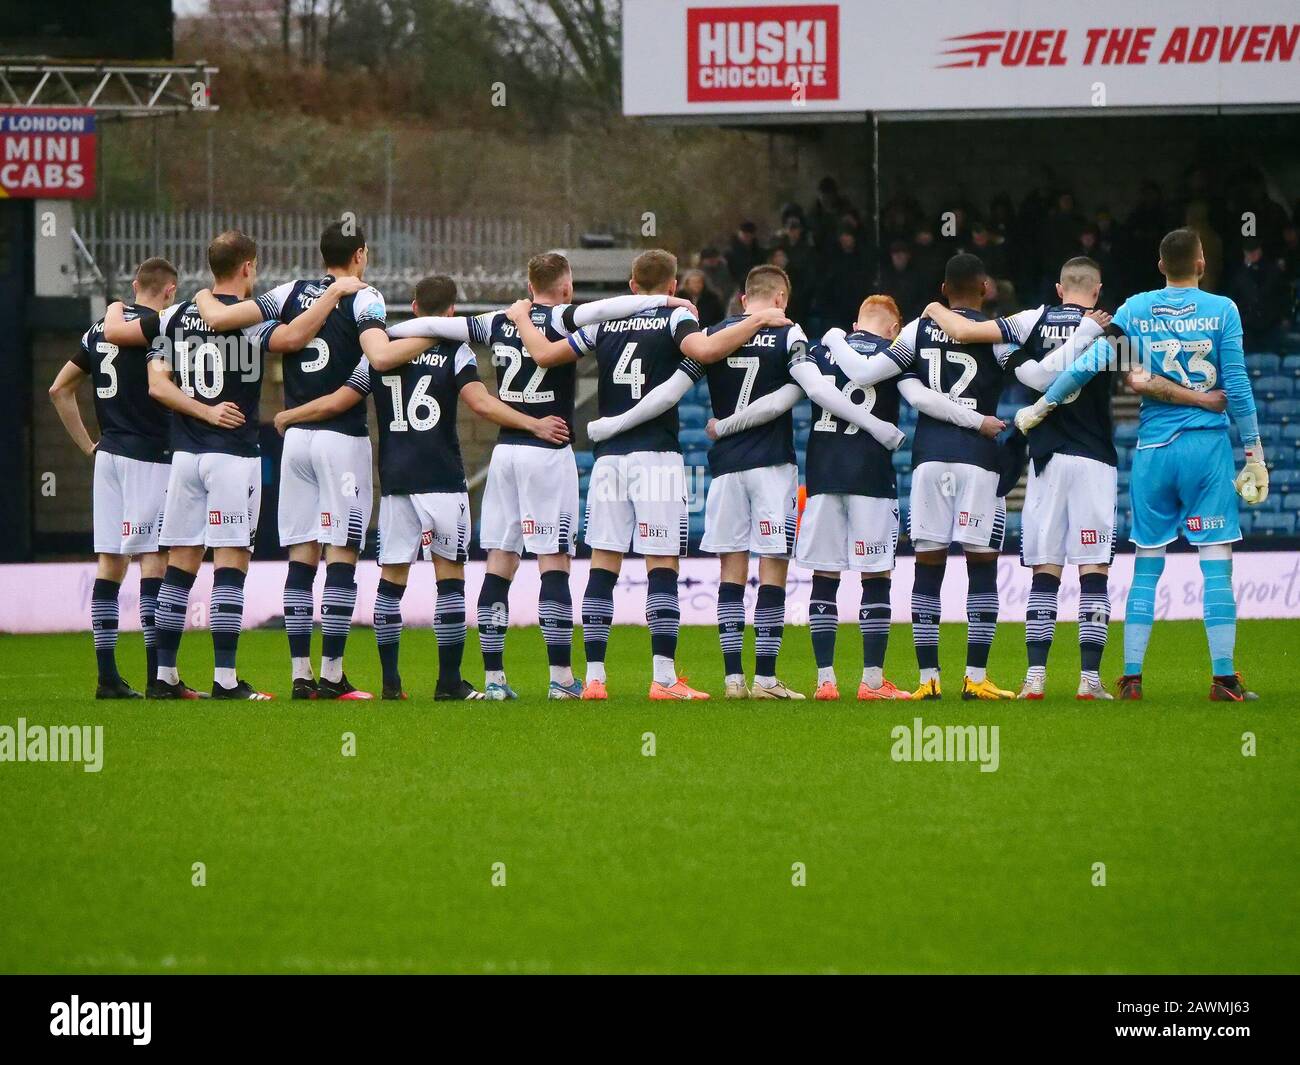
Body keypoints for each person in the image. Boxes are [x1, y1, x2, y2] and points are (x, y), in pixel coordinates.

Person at [385, 254, 692, 699]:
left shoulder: (496, 321)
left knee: (500, 564)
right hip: (548, 450)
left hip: (505, 453)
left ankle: (493, 679)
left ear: (529, 287)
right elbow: (608, 309)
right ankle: (563, 679)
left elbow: (435, 326)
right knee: (553, 563)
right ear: (566, 288)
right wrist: (671, 303)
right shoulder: (567, 316)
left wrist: (380, 334)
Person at [927, 256, 1224, 699]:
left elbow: (966, 332)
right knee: (1093, 569)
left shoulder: (1032, 319)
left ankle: (1035, 680)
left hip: (1044, 458)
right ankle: (1088, 680)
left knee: (1045, 571)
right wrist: (1200, 399)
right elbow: (1142, 383)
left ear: (1059, 289)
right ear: (1098, 290)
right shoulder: (1112, 330)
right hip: (1094, 459)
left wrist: (932, 308)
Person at [273, 275, 570, 700]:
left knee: (391, 580)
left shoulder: (381, 351)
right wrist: (532, 422)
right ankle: (448, 682)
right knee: (448, 579)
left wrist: (290, 415)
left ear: (413, 306)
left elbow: (340, 400)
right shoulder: (454, 348)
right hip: (442, 478)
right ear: (451, 313)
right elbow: (480, 404)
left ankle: (391, 684)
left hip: (395, 480)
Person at [510, 249, 789, 700]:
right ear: (674, 286)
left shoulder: (603, 323)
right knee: (662, 565)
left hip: (607, 460)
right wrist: (758, 320)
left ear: (632, 285)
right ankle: (663, 679)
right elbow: (707, 349)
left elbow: (542, 355)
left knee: (603, 565)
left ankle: (595, 678)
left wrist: (522, 316)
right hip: (655, 455)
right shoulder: (674, 318)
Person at [103, 231, 360, 699]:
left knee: (179, 566)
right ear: (247, 267)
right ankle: (225, 680)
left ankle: (163, 678)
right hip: (232, 456)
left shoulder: (176, 316)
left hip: (183, 456)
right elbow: (295, 336)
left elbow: (158, 386)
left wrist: (199, 411)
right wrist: (332, 294)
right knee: (230, 564)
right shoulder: (249, 322)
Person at [1017, 228, 1267, 701]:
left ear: (1159, 266)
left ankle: (1131, 678)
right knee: (1216, 565)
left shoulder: (1134, 309)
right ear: (1200, 264)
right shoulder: (1223, 310)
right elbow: (1236, 383)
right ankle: (1224, 680)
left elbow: (1089, 363)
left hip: (1153, 451)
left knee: (1147, 564)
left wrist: (1042, 405)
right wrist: (1253, 452)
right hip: (1205, 450)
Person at [194, 222, 415, 701]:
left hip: (296, 444)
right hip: (341, 441)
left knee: (301, 553)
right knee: (342, 552)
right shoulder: (365, 296)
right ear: (361, 254)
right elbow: (377, 356)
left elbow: (226, 318)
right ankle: (333, 675)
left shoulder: (290, 291)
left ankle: (300, 674)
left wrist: (201, 297)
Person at [48, 257, 178, 698]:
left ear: (135, 283)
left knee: (110, 563)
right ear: (170, 291)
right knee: (153, 560)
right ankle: (156, 676)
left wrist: (89, 446)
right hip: (149, 455)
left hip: (108, 456)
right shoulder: (160, 329)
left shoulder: (97, 331)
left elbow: (59, 390)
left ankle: (107, 677)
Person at [1227, 238, 1292, 352]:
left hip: (1271, 323)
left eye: (1255, 252)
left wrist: (1285, 316)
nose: (1253, 255)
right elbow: (1233, 298)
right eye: (1249, 252)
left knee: (1271, 355)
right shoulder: (1239, 274)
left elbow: (1284, 295)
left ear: (1260, 251)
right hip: (1248, 324)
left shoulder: (1273, 271)